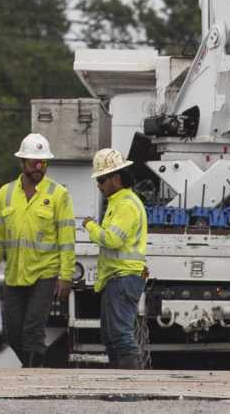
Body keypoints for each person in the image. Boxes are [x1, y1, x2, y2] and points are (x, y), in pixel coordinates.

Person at [0, 131, 73, 367]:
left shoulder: (58, 195)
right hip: (15, 274)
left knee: (33, 330)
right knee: (13, 333)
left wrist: (65, 277)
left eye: (43, 162)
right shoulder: (5, 193)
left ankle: (33, 374)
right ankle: (32, 368)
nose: (39, 167)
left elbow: (66, 239)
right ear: (22, 162)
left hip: (44, 273)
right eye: (34, 162)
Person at [80, 147, 148, 369]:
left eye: (101, 180)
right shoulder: (119, 201)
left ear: (116, 179)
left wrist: (90, 226)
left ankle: (127, 390)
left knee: (120, 336)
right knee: (111, 336)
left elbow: (112, 240)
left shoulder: (126, 204)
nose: (98, 185)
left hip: (124, 277)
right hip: (117, 278)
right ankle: (118, 389)